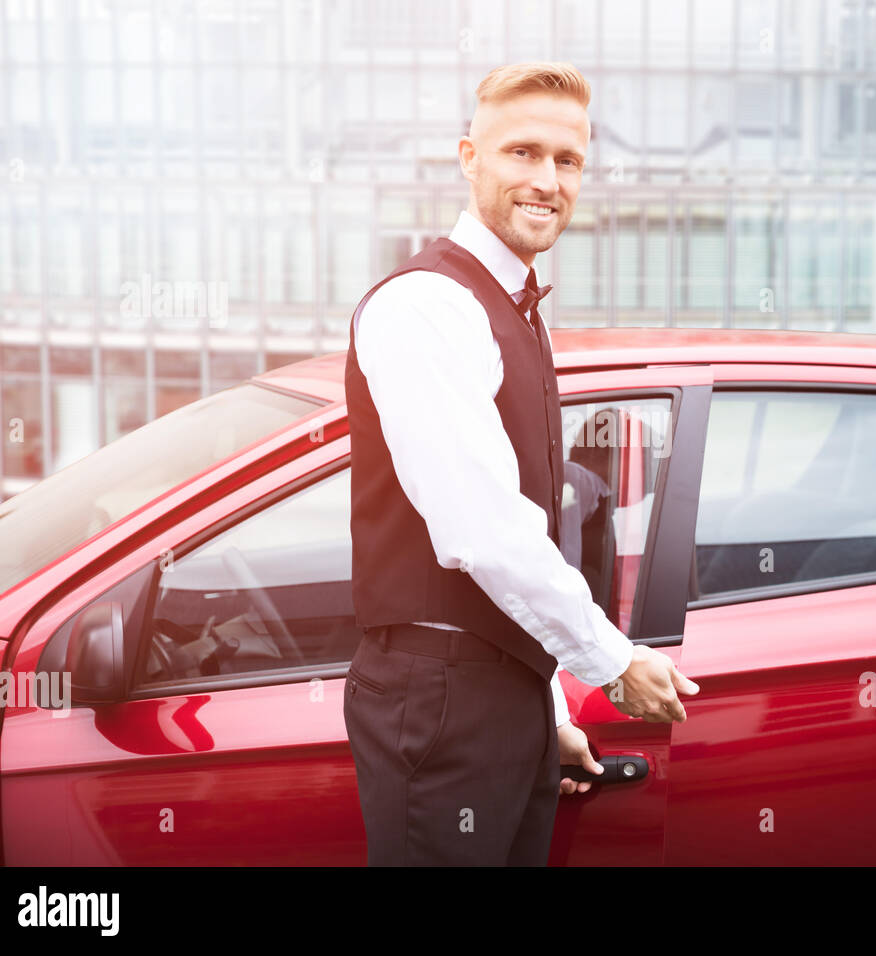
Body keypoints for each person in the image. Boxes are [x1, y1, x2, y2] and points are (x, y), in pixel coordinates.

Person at [342, 61, 698, 866]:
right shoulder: (427, 306)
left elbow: (525, 527)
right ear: (470, 158)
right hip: (441, 707)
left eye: (567, 161)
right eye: (522, 153)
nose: (547, 180)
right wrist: (613, 665)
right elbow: (482, 529)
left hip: (498, 703)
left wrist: (543, 716)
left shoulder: (514, 302)